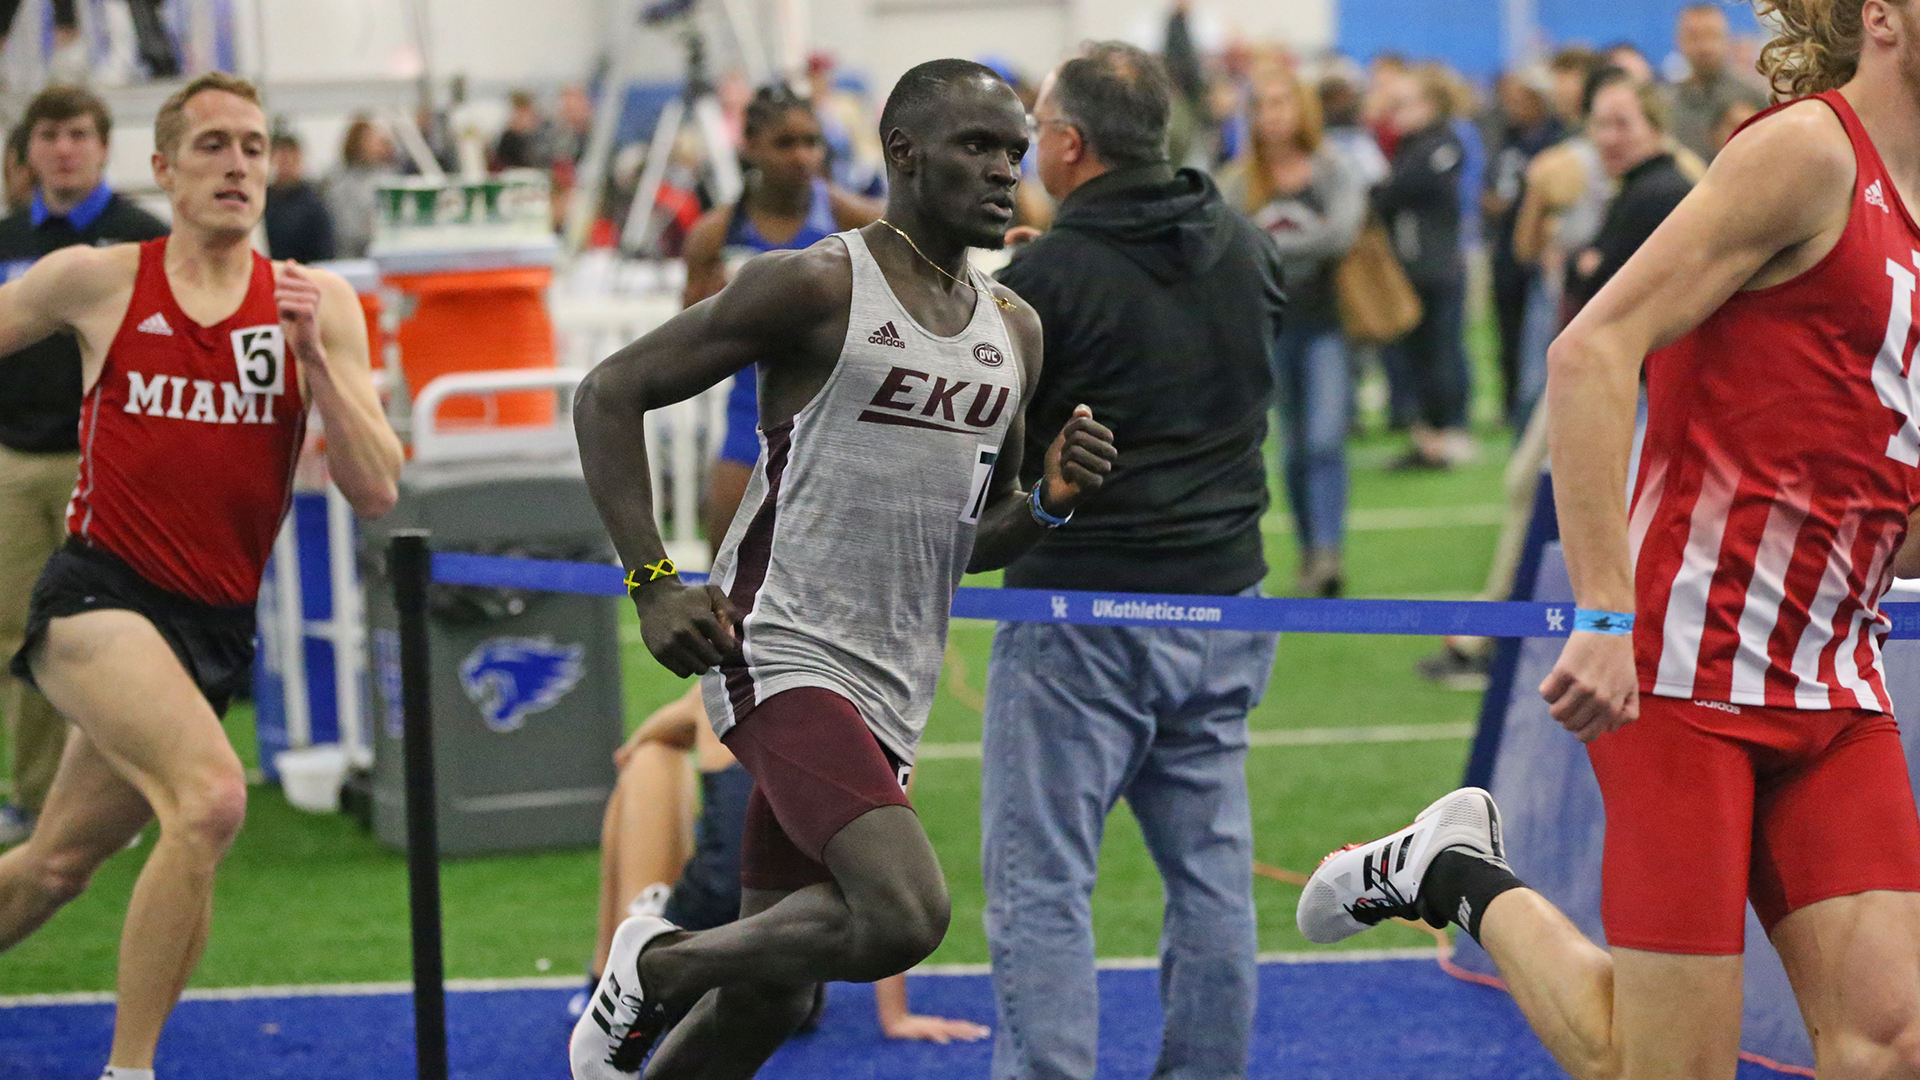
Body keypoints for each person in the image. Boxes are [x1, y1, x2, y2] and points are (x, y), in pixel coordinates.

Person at [1301, 2, 1920, 1076]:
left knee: (1891, 1042)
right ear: (1884, 19)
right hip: (1685, 670)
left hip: (1834, 673)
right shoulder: (1809, 152)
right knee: (1667, 1064)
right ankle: (1456, 877)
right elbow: (1591, 352)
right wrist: (1601, 612)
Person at [567, 58, 1117, 1079]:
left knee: (773, 996)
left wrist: (1048, 502)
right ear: (903, 155)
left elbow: (970, 544)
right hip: (779, 650)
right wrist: (653, 582)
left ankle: (680, 981)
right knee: (906, 912)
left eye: (1016, 150)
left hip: (893, 683)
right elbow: (608, 392)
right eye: (978, 148)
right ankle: (663, 960)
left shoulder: (1015, 333)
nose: (1007, 171)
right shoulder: (818, 283)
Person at [0, 72, 400, 1080]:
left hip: (212, 626)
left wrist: (316, 362)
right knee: (212, 800)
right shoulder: (98, 278)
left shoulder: (317, 302)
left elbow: (376, 488)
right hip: (99, 597)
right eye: (214, 145)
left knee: (53, 869)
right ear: (164, 168)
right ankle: (129, 1071)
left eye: (255, 147)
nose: (237, 165)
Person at [982, 43, 1284, 1080]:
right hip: (1229, 599)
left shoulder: (1047, 278)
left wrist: (1024, 290)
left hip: (1087, 612)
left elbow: (999, 457)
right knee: (1213, 880)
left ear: (1068, 145)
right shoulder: (1243, 244)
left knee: (1042, 883)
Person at [580, 685, 991, 1045]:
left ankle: (608, 977)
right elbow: (890, 884)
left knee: (650, 761)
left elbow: (639, 745)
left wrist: (647, 748)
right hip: (790, 997)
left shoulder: (722, 695)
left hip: (674, 987)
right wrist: (895, 1016)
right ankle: (621, 969)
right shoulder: (882, 724)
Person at [0, 86, 168, 849]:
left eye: (77, 133)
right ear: (28, 150)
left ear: (102, 146)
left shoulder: (143, 239)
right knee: (20, 639)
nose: (63, 148)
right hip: (13, 464)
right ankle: (34, 801)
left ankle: (126, 796)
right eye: (48, 133)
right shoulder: (4, 238)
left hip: (112, 466)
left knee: (114, 636)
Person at [680, 85, 883, 544]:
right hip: (746, 415)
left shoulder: (856, 220)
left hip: (837, 417)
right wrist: (716, 308)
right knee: (725, 565)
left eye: (811, 142)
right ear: (749, 147)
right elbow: (687, 342)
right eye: (785, 143)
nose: (802, 157)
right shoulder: (713, 236)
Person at [1220, 67, 1364, 597]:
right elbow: (1226, 247)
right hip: (1268, 330)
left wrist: (1268, 249)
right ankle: (1309, 551)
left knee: (1327, 439)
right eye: (1262, 105)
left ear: (1302, 108)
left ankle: (1329, 552)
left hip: (1326, 324)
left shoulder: (1331, 169)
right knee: (1294, 449)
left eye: (1282, 102)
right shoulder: (1239, 179)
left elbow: (1340, 236)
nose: (1272, 115)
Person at [1376, 64, 1470, 470]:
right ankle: (1425, 437)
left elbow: (1405, 188)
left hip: (1437, 266)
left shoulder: (1443, 143)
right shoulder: (1409, 146)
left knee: (1441, 351)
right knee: (1414, 355)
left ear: (1431, 105)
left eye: (1407, 102)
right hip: (1410, 267)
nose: (1397, 109)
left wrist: (1381, 190)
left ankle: (1449, 433)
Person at [1565, 72, 1695, 311]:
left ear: (1656, 127)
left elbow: (1600, 289)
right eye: (1601, 124)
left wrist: (1582, 266)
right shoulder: (1634, 187)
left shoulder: (1659, 195)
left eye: (1622, 124)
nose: (1608, 138)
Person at [1485, 69, 1564, 425]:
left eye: (1523, 99)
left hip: (1538, 251)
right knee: (1506, 327)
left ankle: (1533, 408)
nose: (1515, 107)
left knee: (1539, 335)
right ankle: (1510, 402)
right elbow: (1489, 186)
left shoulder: (1553, 140)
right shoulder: (1507, 139)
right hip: (1505, 246)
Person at [1668, 3, 1769, 163]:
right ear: (1679, 41)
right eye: (1694, 37)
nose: (1704, 47)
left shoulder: (1754, 96)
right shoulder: (1669, 102)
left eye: (1712, 35)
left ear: (1727, 39)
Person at [323, 115, 394, 259]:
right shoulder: (340, 182)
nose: (378, 145)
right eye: (372, 140)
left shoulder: (386, 175)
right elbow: (346, 230)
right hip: (350, 257)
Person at [264, 131, 336, 264]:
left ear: (299, 158)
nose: (285, 162)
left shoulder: (313, 204)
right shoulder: (263, 200)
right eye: (281, 157)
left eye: (290, 157)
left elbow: (324, 252)